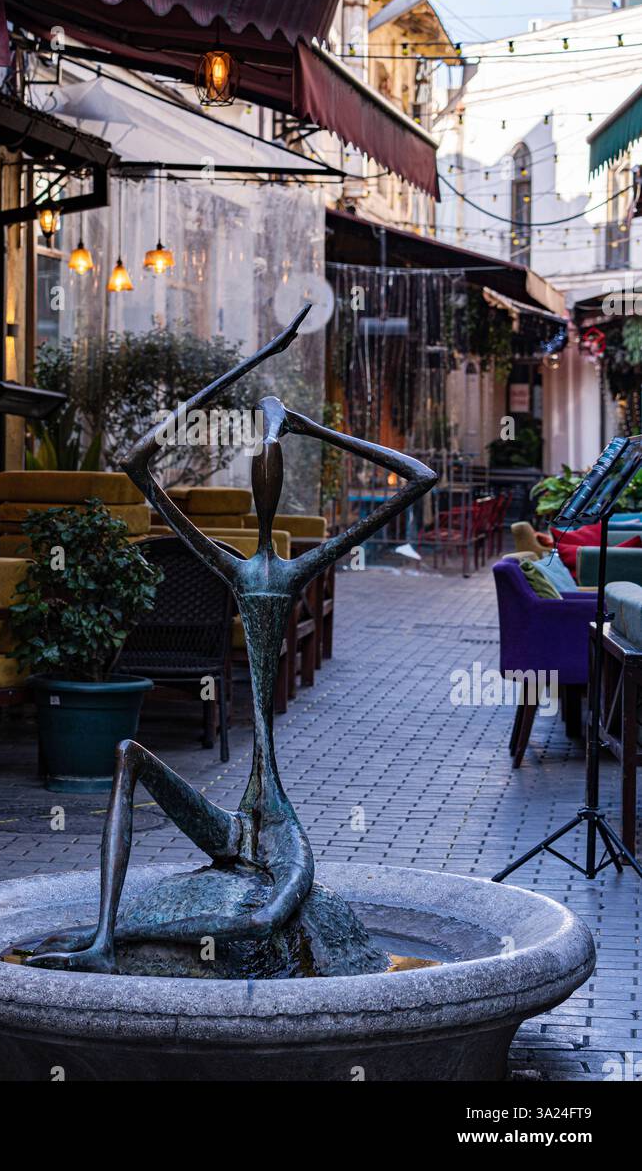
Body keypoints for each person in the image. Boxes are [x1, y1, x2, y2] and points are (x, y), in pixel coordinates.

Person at [26, 304, 436, 972]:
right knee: (130, 753)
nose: (265, 481)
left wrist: (308, 427)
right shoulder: (231, 561)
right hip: (237, 820)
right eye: (261, 470)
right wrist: (255, 359)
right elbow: (137, 463)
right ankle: (104, 940)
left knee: (272, 914)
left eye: (271, 468)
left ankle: (122, 940)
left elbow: (420, 479)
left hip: (275, 825)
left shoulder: (298, 564)